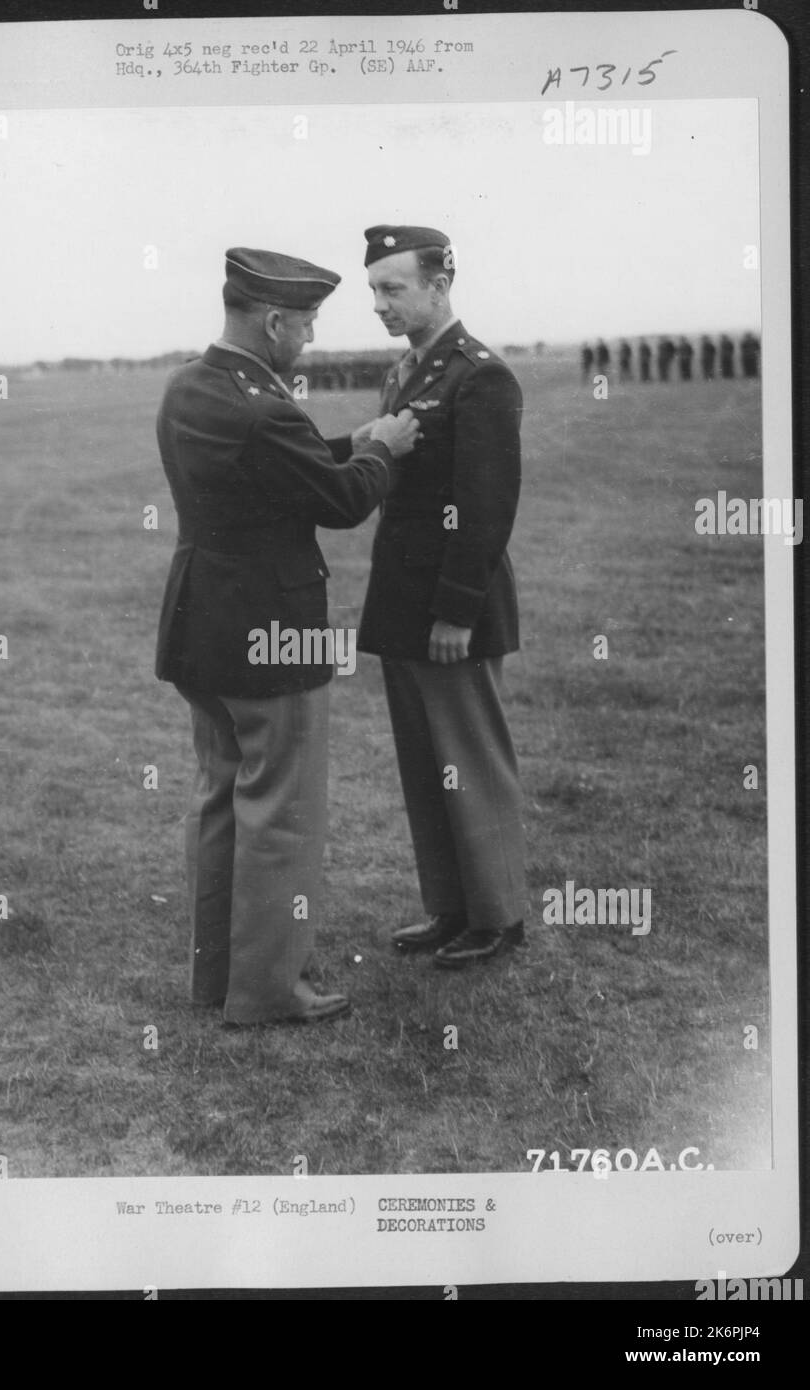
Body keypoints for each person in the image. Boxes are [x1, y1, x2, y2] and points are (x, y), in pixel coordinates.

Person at [155, 247, 419, 1026]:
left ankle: (218, 978)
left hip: (203, 628)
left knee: (221, 803)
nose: (309, 336)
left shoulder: (192, 387)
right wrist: (382, 450)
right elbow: (339, 501)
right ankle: (271, 990)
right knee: (281, 814)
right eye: (304, 322)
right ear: (272, 320)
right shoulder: (264, 405)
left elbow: (275, 470)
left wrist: (349, 438)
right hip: (272, 636)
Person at [350, 224, 526, 967]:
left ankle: (498, 917)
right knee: (427, 764)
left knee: (470, 758)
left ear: (440, 283)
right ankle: (450, 908)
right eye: (374, 292)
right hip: (401, 603)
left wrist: (457, 609)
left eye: (394, 288)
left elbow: (486, 506)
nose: (381, 305)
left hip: (452, 609)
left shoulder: (478, 375)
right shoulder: (407, 373)